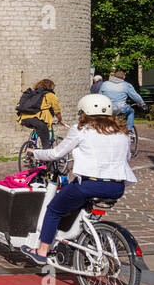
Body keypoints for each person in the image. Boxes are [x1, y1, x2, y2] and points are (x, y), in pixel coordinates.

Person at [21, 94, 136, 264]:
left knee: (54, 209)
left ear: (84, 112)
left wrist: (34, 152)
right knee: (80, 201)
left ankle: (42, 251)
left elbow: (56, 154)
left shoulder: (81, 130)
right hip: (116, 186)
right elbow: (126, 157)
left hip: (89, 185)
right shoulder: (123, 133)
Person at [17, 78, 62, 149]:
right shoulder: (50, 95)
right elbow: (57, 111)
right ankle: (46, 157)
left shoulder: (32, 93)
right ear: (51, 86)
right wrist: (60, 120)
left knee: (38, 129)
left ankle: (30, 148)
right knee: (45, 141)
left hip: (24, 119)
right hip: (38, 120)